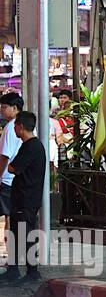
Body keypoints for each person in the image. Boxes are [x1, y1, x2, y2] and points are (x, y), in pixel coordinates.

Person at [1, 112, 46, 283]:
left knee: (26, 235)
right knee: (17, 234)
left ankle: (32, 272)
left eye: (15, 126)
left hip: (26, 198)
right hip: (23, 197)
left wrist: (12, 166)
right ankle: (13, 270)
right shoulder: (32, 145)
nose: (14, 129)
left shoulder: (31, 147)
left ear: (20, 126)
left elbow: (14, 168)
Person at [0, 92, 25, 244]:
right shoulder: (22, 126)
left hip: (8, 180)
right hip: (15, 179)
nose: (2, 110)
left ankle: (12, 256)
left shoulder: (11, 127)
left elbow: (5, 156)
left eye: (4, 107)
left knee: (10, 219)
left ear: (15, 108)